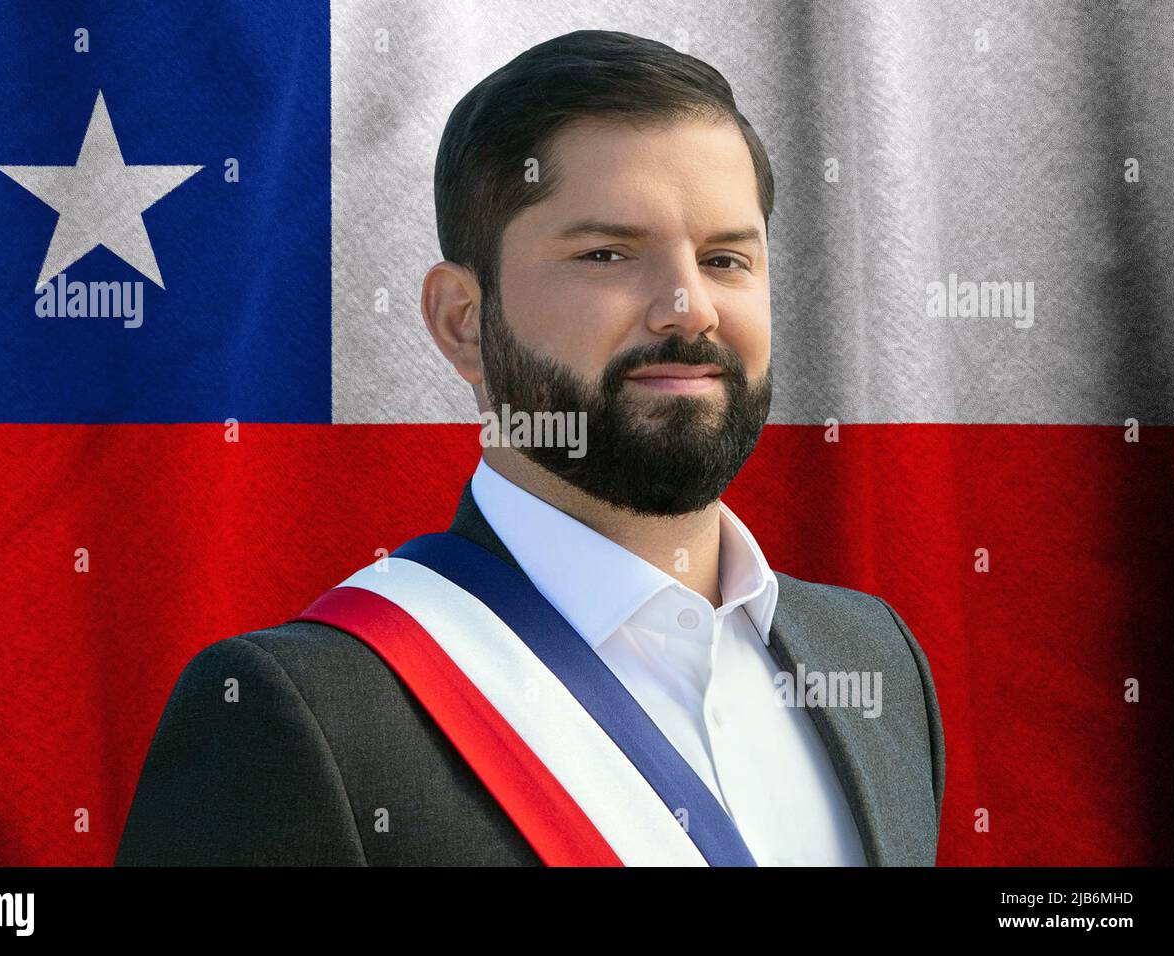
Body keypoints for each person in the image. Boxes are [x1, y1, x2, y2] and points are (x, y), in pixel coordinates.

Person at [116, 29, 944, 867]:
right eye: (608, 254)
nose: (689, 308)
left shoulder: (874, 662)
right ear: (462, 323)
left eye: (726, 258)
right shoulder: (296, 712)